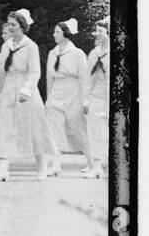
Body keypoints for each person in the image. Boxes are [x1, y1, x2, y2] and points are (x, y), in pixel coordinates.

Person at [0, 9, 56, 182]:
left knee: (34, 128)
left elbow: (35, 72)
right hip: (9, 90)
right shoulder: (5, 46)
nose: (10, 27)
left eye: (13, 24)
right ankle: (3, 170)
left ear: (22, 26)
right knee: (4, 128)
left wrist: (26, 89)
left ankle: (42, 167)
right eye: (9, 24)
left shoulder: (31, 46)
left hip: (27, 91)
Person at [44, 18, 94, 177]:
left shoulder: (77, 53)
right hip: (56, 91)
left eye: (57, 32)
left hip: (74, 91)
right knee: (53, 128)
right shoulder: (53, 53)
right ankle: (55, 164)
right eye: (54, 31)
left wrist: (85, 99)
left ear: (65, 34)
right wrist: (48, 97)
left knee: (77, 128)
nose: (54, 34)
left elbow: (85, 77)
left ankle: (93, 163)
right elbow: (49, 77)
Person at [84, 17, 110, 179]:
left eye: (101, 31)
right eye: (97, 31)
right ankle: (97, 166)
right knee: (94, 132)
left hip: (110, 96)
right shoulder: (94, 53)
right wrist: (86, 99)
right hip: (95, 96)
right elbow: (88, 78)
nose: (97, 34)